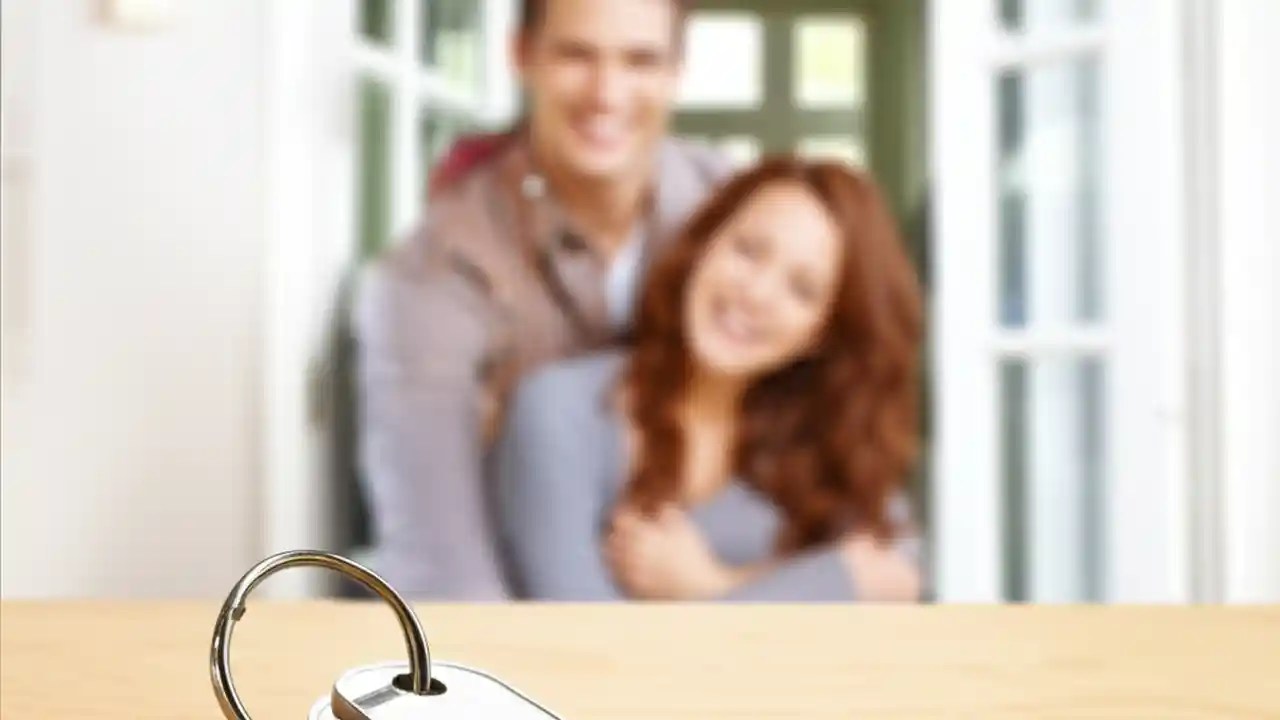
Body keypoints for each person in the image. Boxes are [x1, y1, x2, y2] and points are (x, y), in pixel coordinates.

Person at [353, 0, 732, 600]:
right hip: (531, 629)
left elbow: (856, 518)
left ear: (676, 72)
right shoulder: (435, 274)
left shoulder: (739, 215)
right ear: (521, 56)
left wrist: (725, 589)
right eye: (577, 56)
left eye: (640, 61)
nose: (607, 94)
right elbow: (443, 568)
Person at [493, 158, 926, 602]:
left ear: (819, 335)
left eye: (801, 289)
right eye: (749, 250)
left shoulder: (817, 434)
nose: (756, 294)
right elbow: (582, 643)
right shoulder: (561, 411)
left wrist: (709, 587)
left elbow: (897, 573)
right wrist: (822, 582)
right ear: (706, 244)